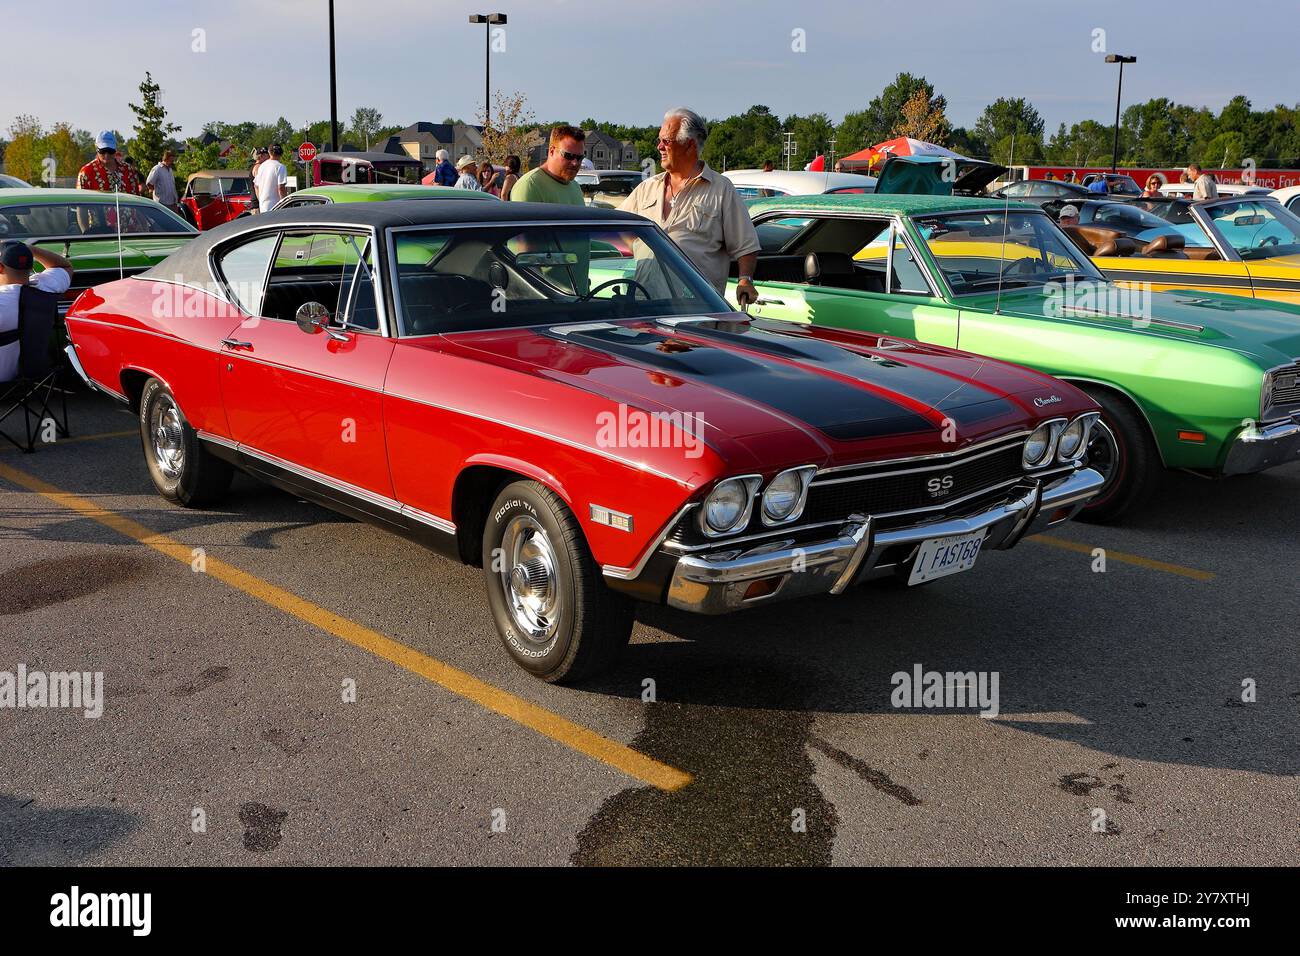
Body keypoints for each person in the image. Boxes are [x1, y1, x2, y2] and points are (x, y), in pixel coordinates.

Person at [620, 107, 760, 308]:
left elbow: (746, 245)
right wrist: (640, 248)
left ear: (689, 145)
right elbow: (619, 229)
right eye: (659, 140)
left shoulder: (721, 189)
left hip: (695, 309)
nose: (659, 147)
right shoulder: (647, 188)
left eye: (666, 141)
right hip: (646, 306)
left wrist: (745, 279)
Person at [0, 241, 75, 383]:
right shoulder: (45, 288)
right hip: (33, 373)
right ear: (31, 266)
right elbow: (65, 266)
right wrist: (29, 249)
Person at [511, 126, 586, 205]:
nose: (575, 163)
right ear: (552, 151)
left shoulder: (575, 187)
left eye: (580, 157)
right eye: (568, 155)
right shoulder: (530, 185)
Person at [77, 131, 140, 195]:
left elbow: (136, 198)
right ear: (96, 148)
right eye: (102, 151)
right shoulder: (86, 172)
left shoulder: (128, 170)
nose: (106, 155)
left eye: (110, 151)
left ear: (116, 149)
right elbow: (81, 201)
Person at [254, 143, 288, 212]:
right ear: (281, 154)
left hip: (263, 207)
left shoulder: (262, 166)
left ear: (269, 152)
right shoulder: (280, 167)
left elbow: (256, 186)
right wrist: (285, 204)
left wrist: (261, 200)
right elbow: (281, 188)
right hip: (276, 208)